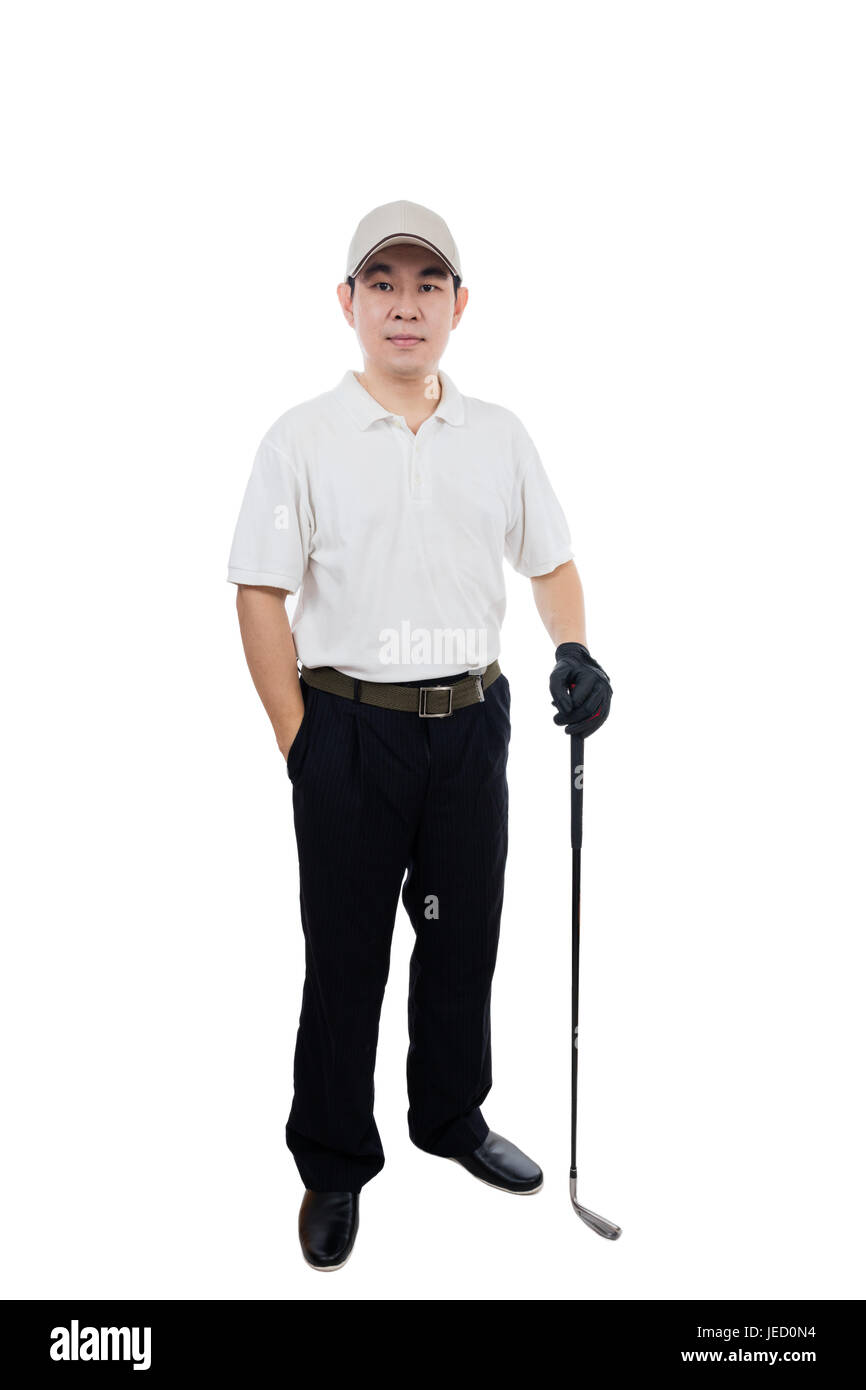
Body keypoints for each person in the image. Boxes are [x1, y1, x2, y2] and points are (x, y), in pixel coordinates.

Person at [226, 199, 613, 1272]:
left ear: (458, 305)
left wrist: (571, 650)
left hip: (468, 733)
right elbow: (259, 592)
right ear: (347, 303)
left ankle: (450, 1117)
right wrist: (299, 742)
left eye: (426, 285)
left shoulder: (497, 435)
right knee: (344, 961)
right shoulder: (300, 437)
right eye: (382, 284)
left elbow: (552, 567)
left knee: (460, 940)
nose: (405, 305)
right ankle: (334, 1166)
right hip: (346, 733)